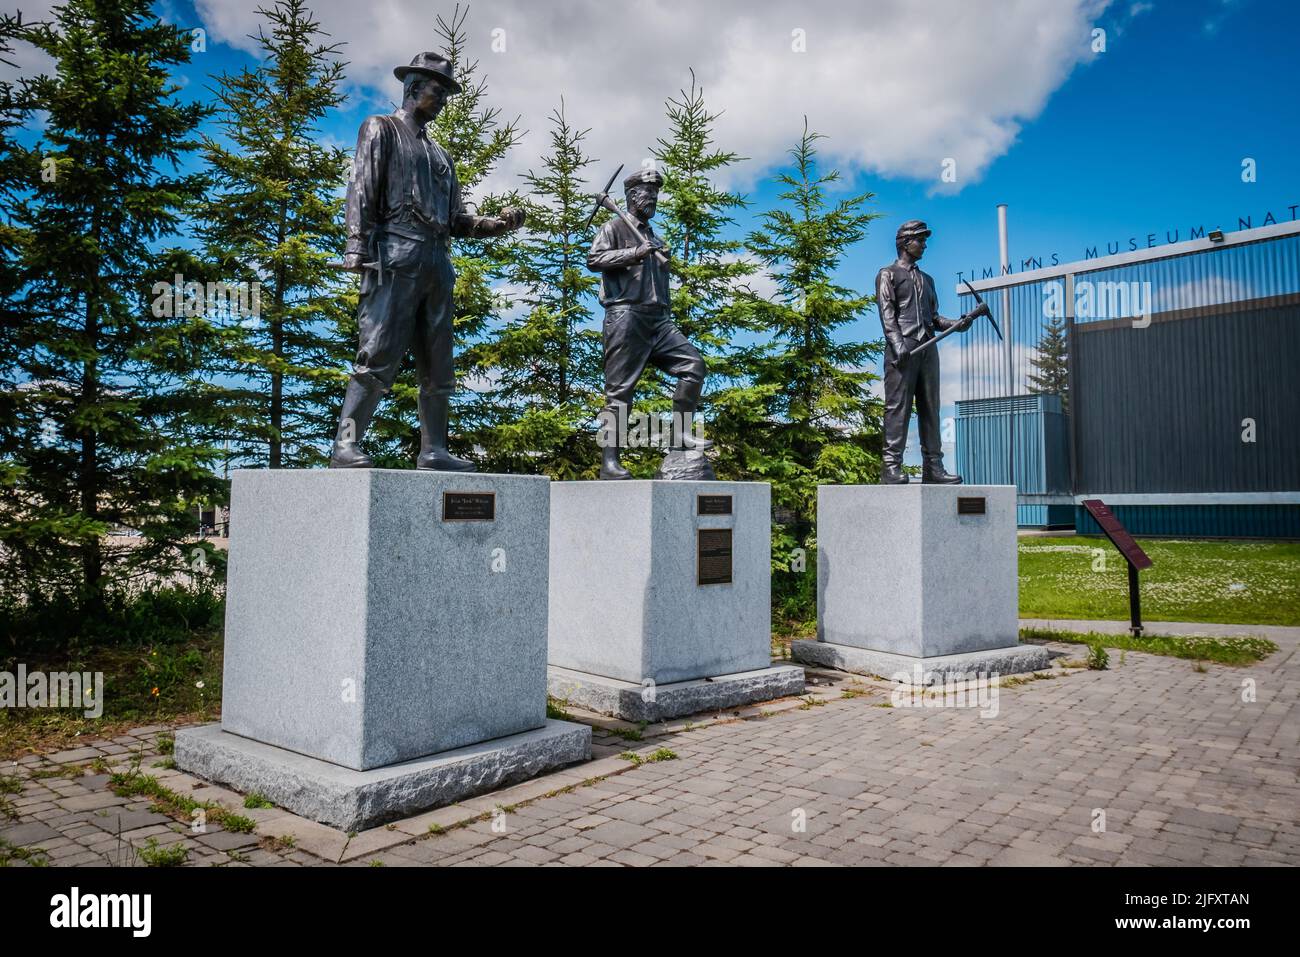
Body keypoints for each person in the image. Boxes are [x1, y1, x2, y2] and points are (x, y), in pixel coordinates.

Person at [330, 52, 525, 470]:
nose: (442, 101)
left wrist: (498, 224)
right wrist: (355, 246)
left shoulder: (442, 156)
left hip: (437, 264)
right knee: (377, 354)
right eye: (438, 92)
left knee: (439, 366)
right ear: (414, 88)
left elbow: (457, 219)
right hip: (395, 256)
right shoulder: (380, 129)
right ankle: (344, 446)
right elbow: (360, 188)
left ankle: (433, 450)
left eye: (445, 95)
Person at [586, 168, 708, 480]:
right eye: (646, 192)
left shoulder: (656, 238)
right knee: (619, 392)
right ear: (630, 196)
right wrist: (635, 253)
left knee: (693, 365)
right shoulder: (614, 227)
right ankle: (609, 463)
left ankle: (679, 437)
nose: (652, 198)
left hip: (659, 320)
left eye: (655, 193)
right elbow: (594, 260)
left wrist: (649, 249)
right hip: (626, 317)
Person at [875, 220, 988, 484]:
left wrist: (957, 324)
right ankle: (891, 467)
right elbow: (887, 314)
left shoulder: (928, 280)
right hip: (902, 349)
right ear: (905, 242)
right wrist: (897, 343)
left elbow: (934, 318)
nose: (925, 245)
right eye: (920, 240)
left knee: (930, 408)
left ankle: (933, 468)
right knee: (897, 408)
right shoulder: (887, 274)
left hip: (928, 348)